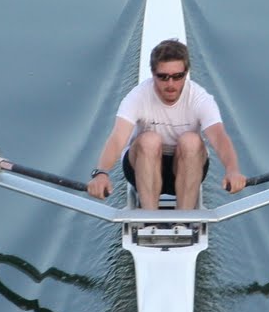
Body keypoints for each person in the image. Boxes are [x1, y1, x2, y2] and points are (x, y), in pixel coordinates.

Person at [86, 39, 247, 210]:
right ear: (152, 73)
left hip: (186, 164)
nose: (170, 84)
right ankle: (150, 218)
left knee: (191, 141)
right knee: (149, 140)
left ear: (186, 73)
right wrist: (101, 172)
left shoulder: (200, 98)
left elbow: (219, 137)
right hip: (141, 166)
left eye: (177, 77)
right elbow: (118, 138)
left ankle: (184, 219)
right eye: (163, 77)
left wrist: (232, 170)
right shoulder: (137, 97)